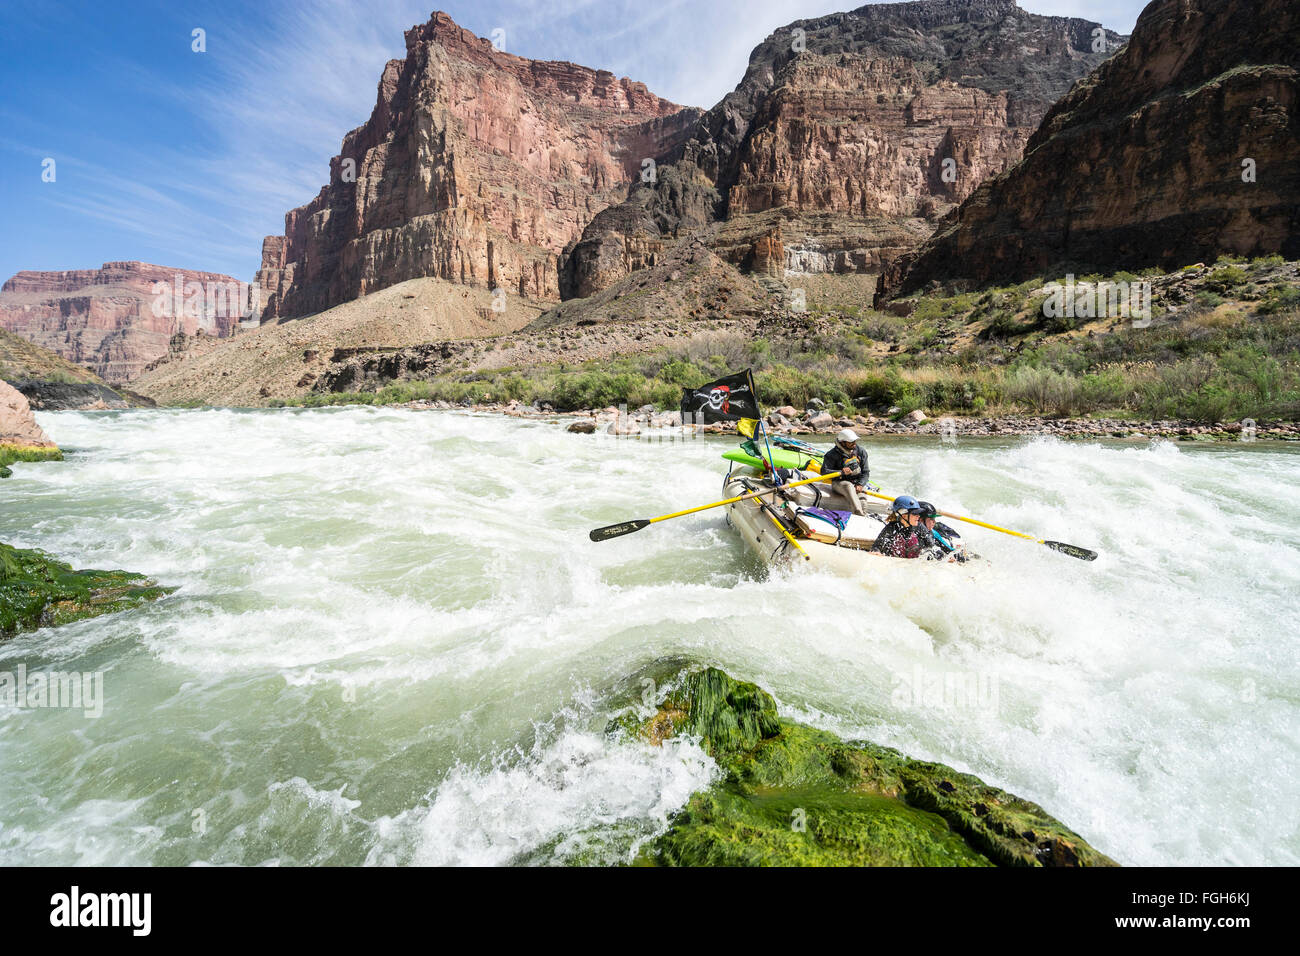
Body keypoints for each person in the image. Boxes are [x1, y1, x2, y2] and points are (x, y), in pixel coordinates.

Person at [821, 428, 871, 516]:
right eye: (851, 442)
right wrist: (841, 472)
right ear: (842, 442)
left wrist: (860, 484)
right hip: (839, 483)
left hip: (856, 483)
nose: (854, 444)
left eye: (855, 441)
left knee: (863, 500)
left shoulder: (861, 452)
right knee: (849, 486)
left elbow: (866, 472)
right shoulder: (831, 454)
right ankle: (858, 513)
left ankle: (864, 516)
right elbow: (824, 472)